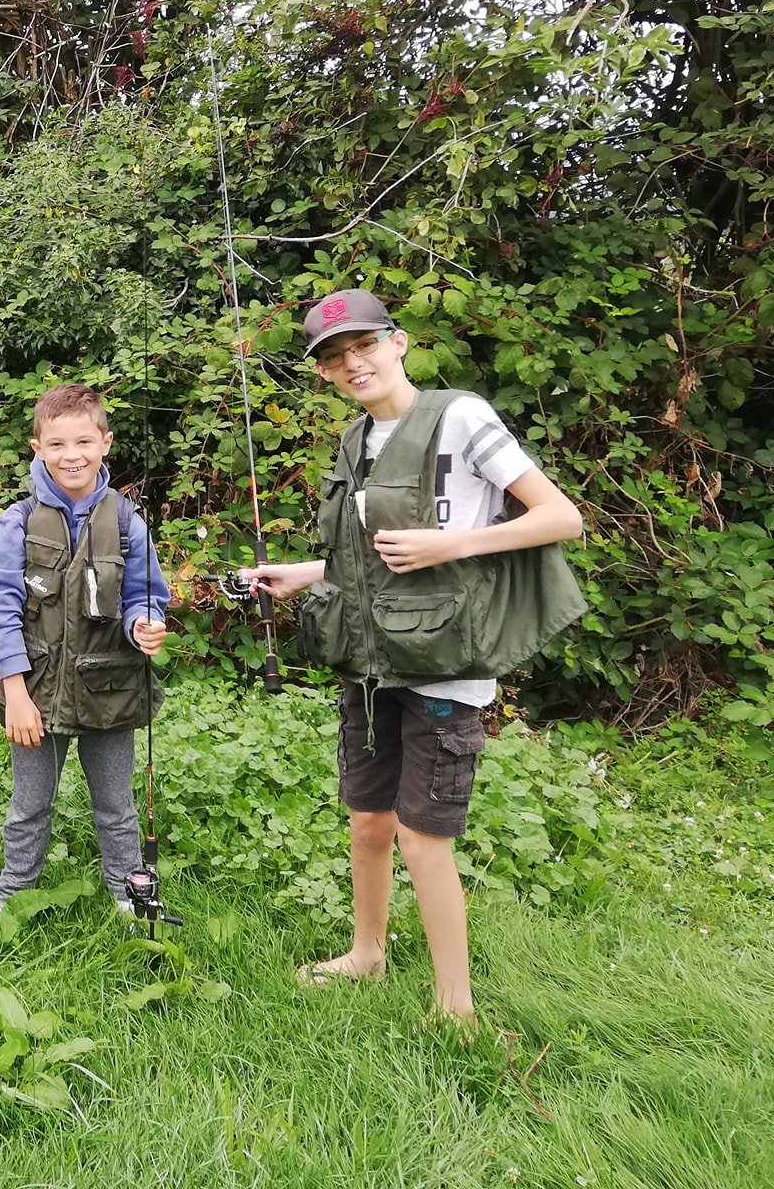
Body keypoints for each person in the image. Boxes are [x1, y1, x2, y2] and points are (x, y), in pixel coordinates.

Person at [241, 288, 584, 1027]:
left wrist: (454, 541)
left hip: (445, 667)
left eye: (362, 345)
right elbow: (367, 562)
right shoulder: (356, 441)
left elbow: (562, 516)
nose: (351, 363)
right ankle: (367, 954)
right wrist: (306, 574)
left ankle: (454, 1008)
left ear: (397, 342)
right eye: (334, 357)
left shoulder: (460, 417)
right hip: (370, 664)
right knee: (368, 820)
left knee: (423, 837)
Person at [0, 383, 171, 914]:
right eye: (57, 445)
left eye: (84, 442)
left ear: (105, 443)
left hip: (111, 690)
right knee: (29, 804)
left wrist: (144, 625)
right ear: (37, 449)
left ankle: (128, 894)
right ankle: (13, 893)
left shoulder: (128, 521)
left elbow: (145, 596)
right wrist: (14, 692)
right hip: (34, 695)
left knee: (117, 807)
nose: (72, 456)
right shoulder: (18, 520)